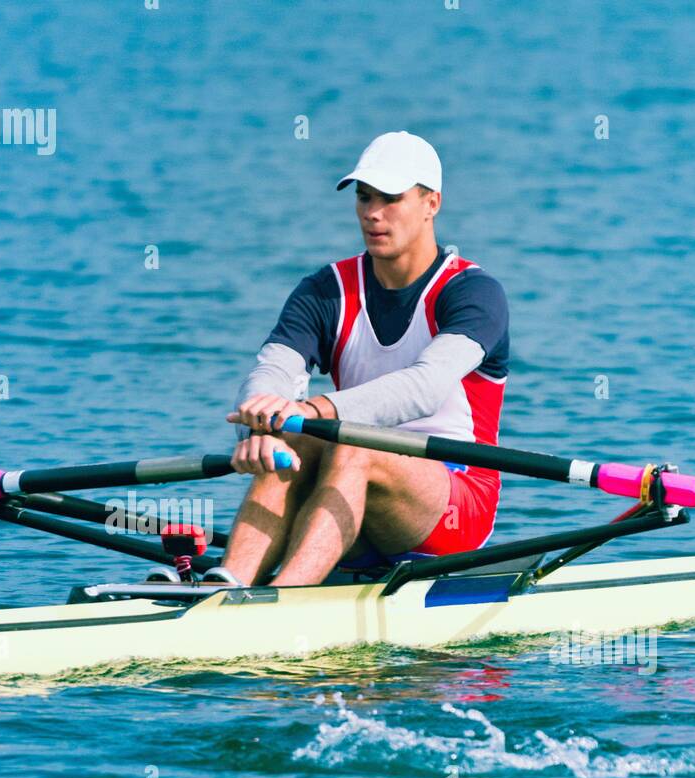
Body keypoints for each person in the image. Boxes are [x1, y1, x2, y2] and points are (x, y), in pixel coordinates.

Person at [218, 131, 510, 587]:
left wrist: (312, 409)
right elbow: (273, 369)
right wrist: (261, 422)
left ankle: (283, 600)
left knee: (348, 440)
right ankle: (229, 584)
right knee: (292, 440)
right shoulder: (325, 290)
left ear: (432, 203)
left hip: (454, 504)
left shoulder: (473, 293)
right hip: (345, 487)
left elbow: (426, 387)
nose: (373, 213)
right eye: (364, 197)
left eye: (391, 198)